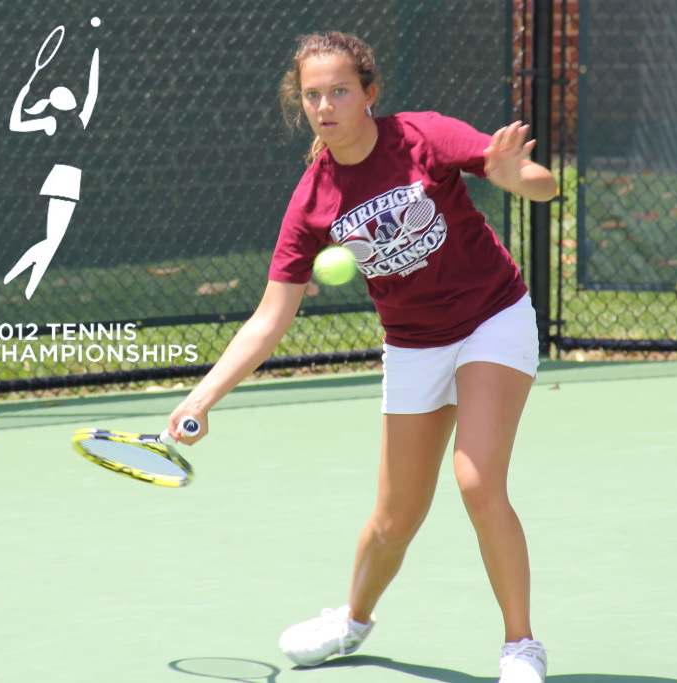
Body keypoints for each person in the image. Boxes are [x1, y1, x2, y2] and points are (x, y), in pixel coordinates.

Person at [167, 31, 557, 683]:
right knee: (394, 517)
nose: (326, 105)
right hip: (411, 343)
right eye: (314, 95)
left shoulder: (422, 137)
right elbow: (270, 316)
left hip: (492, 315)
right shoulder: (312, 199)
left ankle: (521, 645)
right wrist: (200, 398)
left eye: (340, 91)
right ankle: (352, 619)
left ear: (368, 94)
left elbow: (536, 183)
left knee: (476, 479)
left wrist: (521, 179)